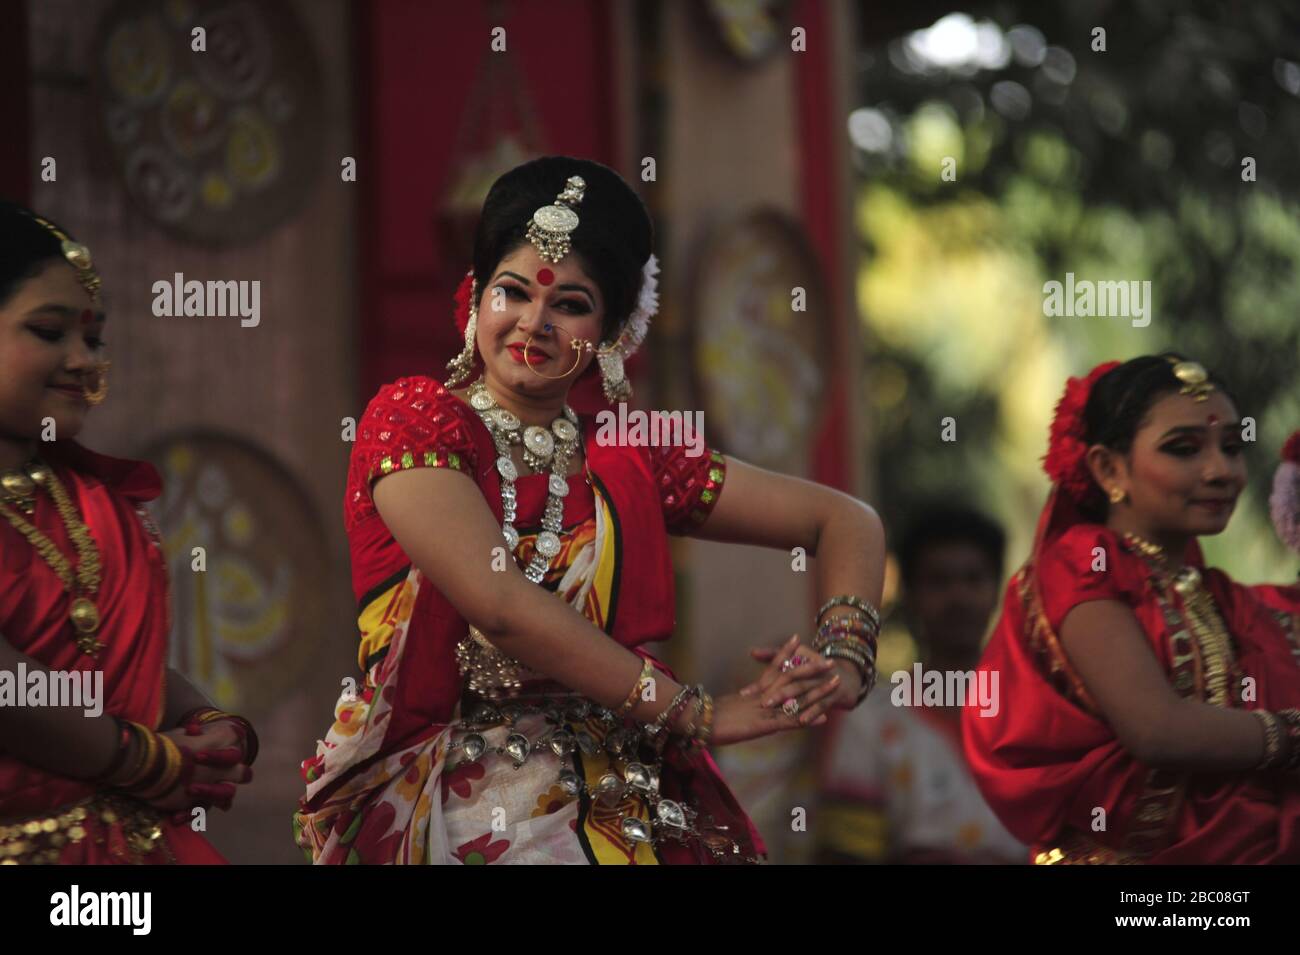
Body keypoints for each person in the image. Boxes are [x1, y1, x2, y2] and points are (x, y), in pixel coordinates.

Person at [293, 157, 886, 864]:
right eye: (511, 291)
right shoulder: (416, 422)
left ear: (610, 333)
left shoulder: (631, 454)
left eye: (570, 304)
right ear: (476, 294)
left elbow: (846, 521)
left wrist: (843, 658)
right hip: (440, 795)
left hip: (621, 794)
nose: (534, 322)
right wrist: (697, 711)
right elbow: (498, 603)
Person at [963, 354, 1300, 864]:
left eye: (1232, 447)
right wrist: (1291, 735)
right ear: (1108, 468)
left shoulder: (1224, 598)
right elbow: (1157, 729)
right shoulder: (1082, 567)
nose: (1221, 471)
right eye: (1183, 449)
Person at [0, 202, 258, 864]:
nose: (83, 361)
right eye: (50, 331)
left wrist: (206, 725)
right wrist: (148, 760)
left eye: (94, 339)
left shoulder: (90, 497)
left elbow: (113, 660)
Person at [817, 506, 1024, 863]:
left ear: (997, 592)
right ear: (910, 595)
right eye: (939, 581)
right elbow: (845, 854)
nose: (958, 597)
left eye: (974, 579)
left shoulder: (1036, 713)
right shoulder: (871, 720)